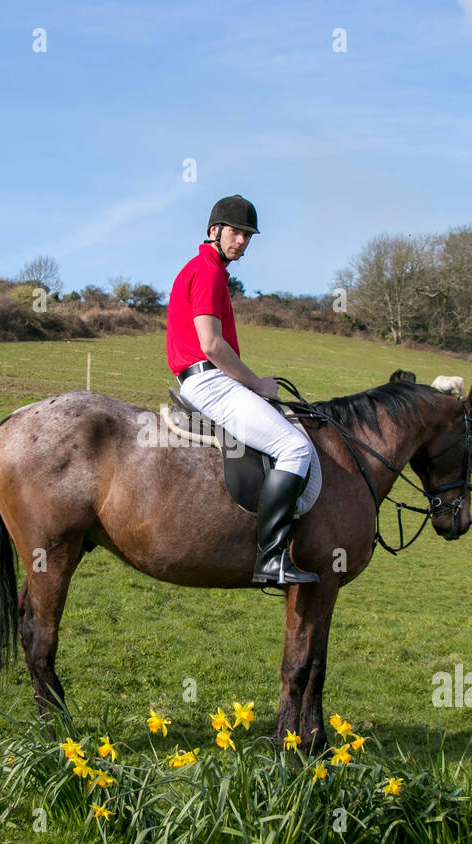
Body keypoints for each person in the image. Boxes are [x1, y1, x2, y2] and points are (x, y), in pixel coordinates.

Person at [165, 195, 321, 586]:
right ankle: (271, 559)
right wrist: (256, 383)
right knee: (296, 448)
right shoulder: (208, 271)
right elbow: (212, 345)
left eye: (248, 236)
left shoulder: (210, 270)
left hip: (205, 379)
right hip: (209, 380)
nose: (242, 242)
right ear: (214, 231)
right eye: (236, 233)